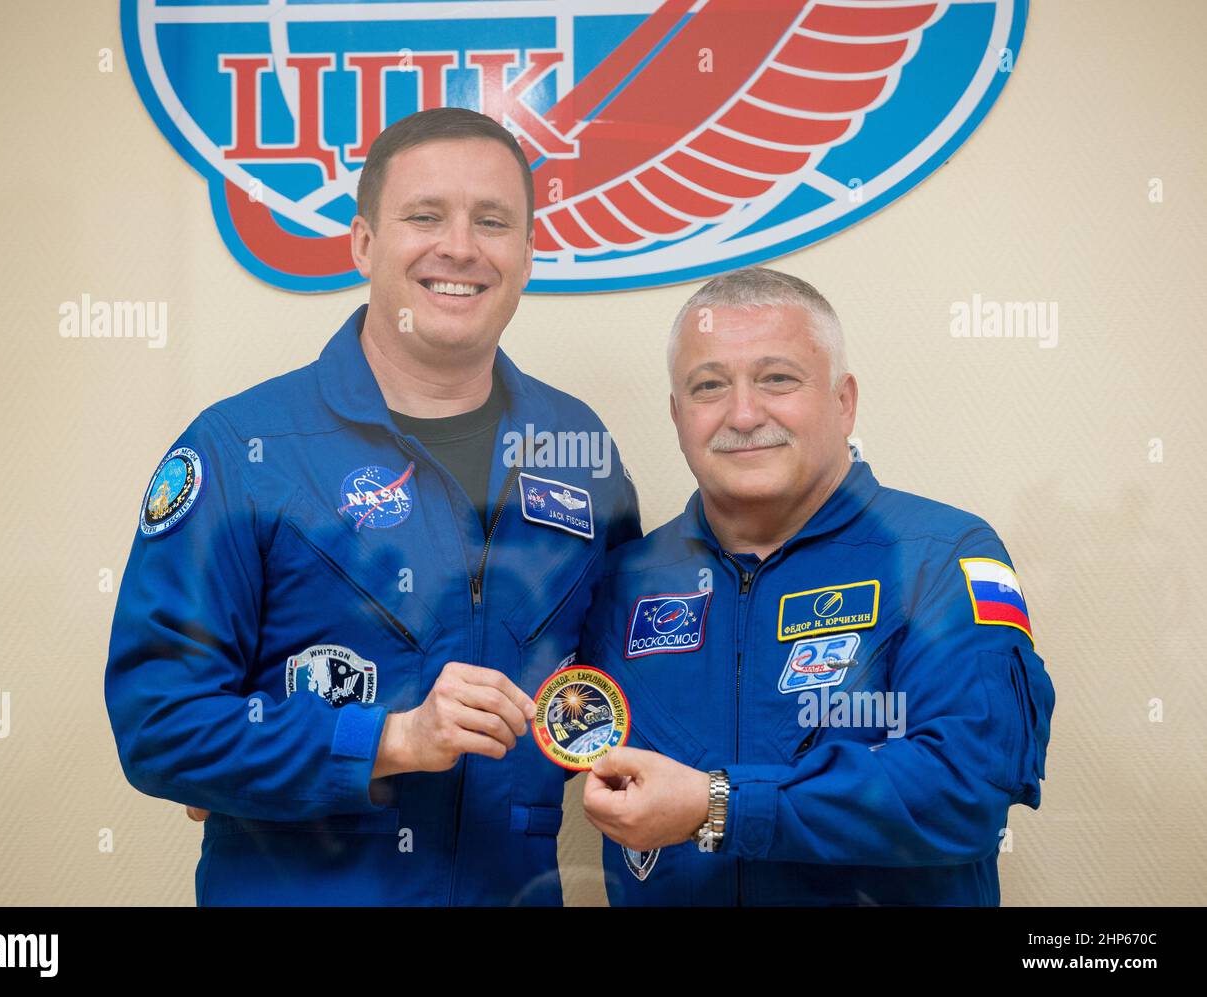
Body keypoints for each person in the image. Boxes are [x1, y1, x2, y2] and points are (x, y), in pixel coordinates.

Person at [104, 107, 641, 906]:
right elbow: (159, 723)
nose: (459, 246)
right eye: (425, 216)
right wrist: (389, 739)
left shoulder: (577, 445)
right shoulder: (243, 449)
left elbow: (631, 676)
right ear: (363, 243)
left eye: (492, 222)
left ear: (528, 256)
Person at [579, 267, 1054, 905]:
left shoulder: (942, 557)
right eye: (709, 386)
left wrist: (721, 805)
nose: (743, 414)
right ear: (676, 413)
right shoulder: (625, 580)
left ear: (843, 400)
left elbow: (966, 786)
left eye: (777, 378)